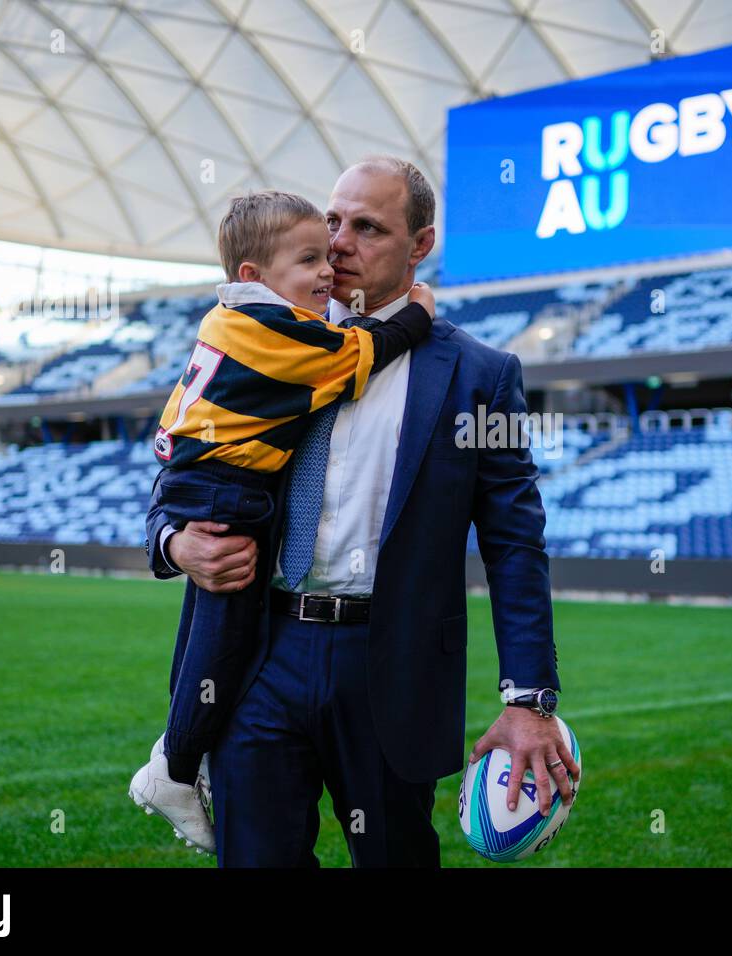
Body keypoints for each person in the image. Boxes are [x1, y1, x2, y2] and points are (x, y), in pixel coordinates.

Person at [145, 155, 579, 867]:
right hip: (259, 654)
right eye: (334, 220)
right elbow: (184, 463)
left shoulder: (481, 376)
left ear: (421, 246)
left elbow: (514, 542)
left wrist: (530, 697)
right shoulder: (257, 337)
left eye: (368, 227)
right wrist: (172, 544)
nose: (340, 242)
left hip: (390, 667)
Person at [130, 189, 435, 853]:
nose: (331, 263)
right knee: (226, 632)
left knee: (207, 633)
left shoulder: (230, 321)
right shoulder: (290, 333)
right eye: (314, 251)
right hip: (242, 541)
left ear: (419, 244)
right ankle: (178, 762)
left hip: (379, 655)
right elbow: (363, 354)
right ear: (254, 276)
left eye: (345, 244)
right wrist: (173, 542)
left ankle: (176, 757)